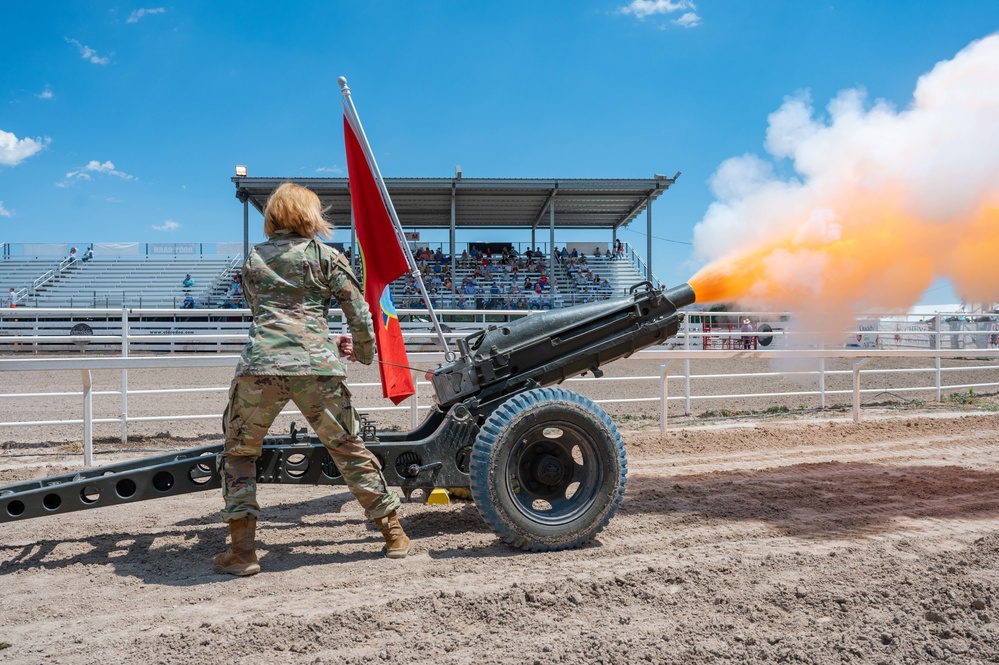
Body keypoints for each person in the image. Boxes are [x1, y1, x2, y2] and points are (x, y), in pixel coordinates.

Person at [213, 182, 409, 577]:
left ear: (273, 216)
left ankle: (243, 552)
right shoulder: (327, 256)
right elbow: (358, 312)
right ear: (310, 215)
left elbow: (259, 309)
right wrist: (364, 354)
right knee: (348, 449)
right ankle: (394, 536)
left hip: (261, 366)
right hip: (317, 368)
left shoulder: (253, 259)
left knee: (239, 454)